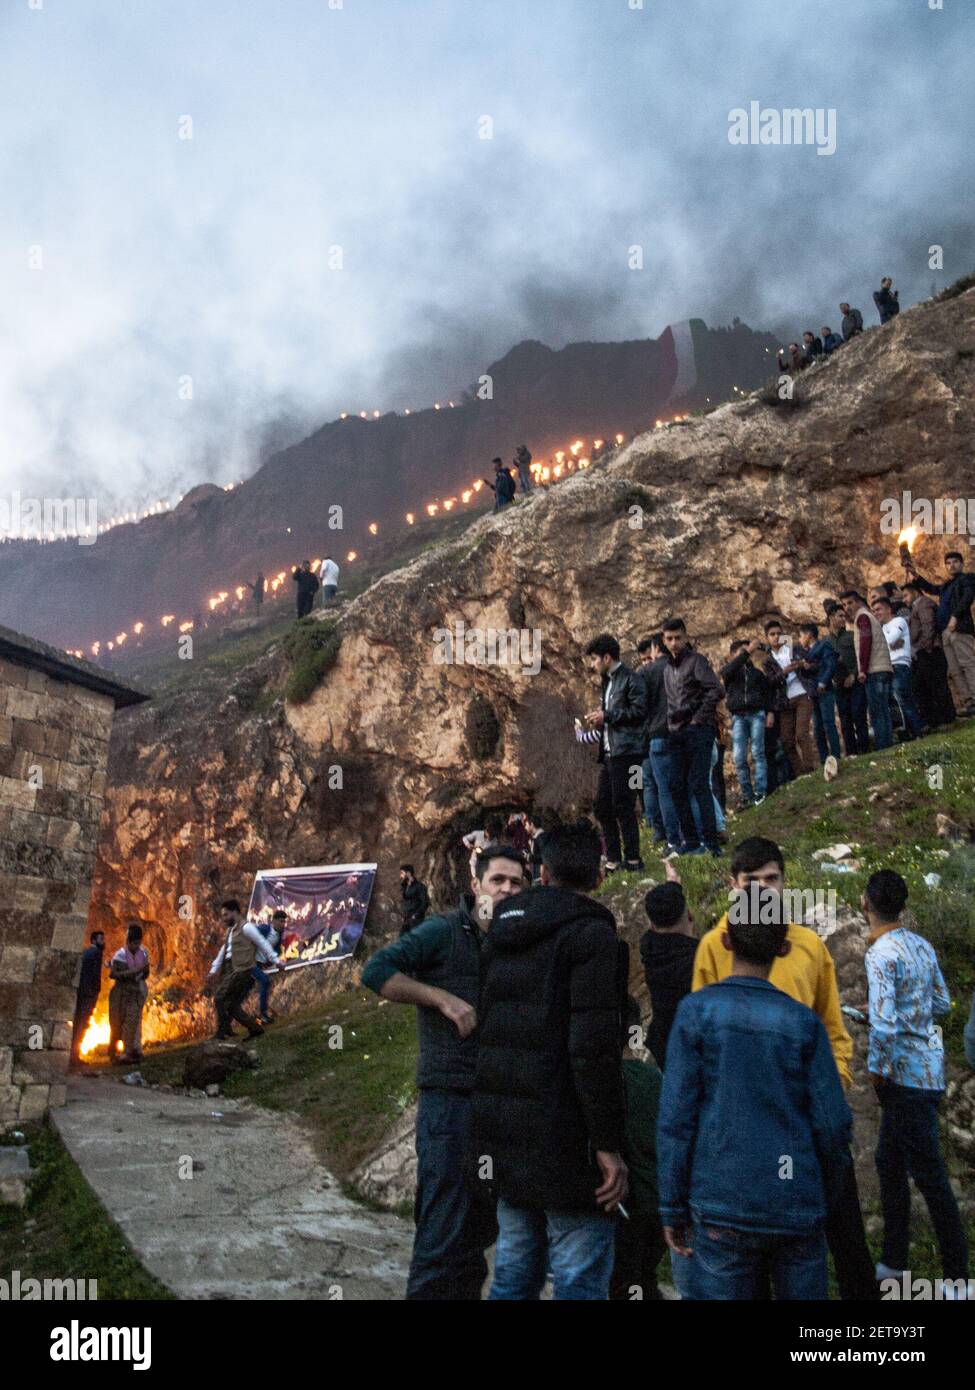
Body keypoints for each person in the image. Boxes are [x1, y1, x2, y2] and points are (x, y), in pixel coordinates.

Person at [692, 837, 879, 1300]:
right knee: (752, 1259)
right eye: (750, 881)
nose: (762, 889)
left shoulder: (809, 946)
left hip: (811, 1126)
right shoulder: (714, 947)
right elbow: (700, 1044)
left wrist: (832, 1086)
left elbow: (834, 1030)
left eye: (771, 879)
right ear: (733, 886)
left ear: (785, 883)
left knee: (847, 1241)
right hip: (743, 1134)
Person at [659, 883, 853, 1300]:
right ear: (784, 947)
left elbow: (676, 1119)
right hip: (795, 1204)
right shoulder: (804, 1024)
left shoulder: (695, 1013)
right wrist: (823, 1193)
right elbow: (833, 1125)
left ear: (726, 940)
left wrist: (672, 1207)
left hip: (721, 1204)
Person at [361, 841, 527, 1300]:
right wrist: (442, 999)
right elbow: (377, 971)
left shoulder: (517, 942)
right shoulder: (444, 931)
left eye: (516, 882)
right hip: (450, 1105)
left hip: (499, 1107)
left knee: (477, 1236)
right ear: (476, 884)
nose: (507, 889)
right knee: (442, 1235)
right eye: (498, 880)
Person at [473, 820, 628, 1301]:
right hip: (568, 1141)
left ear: (541, 874)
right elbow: (593, 1050)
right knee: (578, 1279)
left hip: (506, 1133)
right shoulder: (592, 936)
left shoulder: (501, 933)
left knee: (513, 1273)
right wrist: (607, 1145)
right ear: (599, 876)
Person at [862, 870, 969, 1292]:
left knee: (931, 1178)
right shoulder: (921, 945)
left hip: (902, 1077)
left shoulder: (879, 953)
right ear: (902, 905)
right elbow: (941, 1002)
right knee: (889, 1163)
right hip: (930, 1070)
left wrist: (877, 1069)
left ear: (866, 903)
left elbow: (885, 1025)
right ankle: (892, 1263)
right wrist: (910, 1012)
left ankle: (958, 1278)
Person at [610, 996, 665, 1301]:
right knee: (644, 1279)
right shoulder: (655, 1079)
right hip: (657, 1207)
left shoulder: (605, 1082)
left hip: (623, 1206)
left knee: (622, 1283)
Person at [583, 633, 648, 872]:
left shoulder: (632, 679)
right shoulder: (607, 682)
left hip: (630, 754)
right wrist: (601, 719)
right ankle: (614, 857)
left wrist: (608, 716)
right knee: (602, 806)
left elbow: (640, 712)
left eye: (595, 659)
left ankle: (633, 859)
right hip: (611, 754)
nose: (593, 665)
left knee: (625, 805)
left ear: (607, 657)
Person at [660, 618, 723, 857]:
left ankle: (711, 843)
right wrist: (671, 726)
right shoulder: (667, 669)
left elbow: (716, 689)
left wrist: (698, 719)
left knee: (699, 784)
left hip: (699, 730)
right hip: (677, 733)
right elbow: (672, 702)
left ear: (685, 637)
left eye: (678, 638)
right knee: (676, 785)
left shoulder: (697, 661)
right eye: (669, 639)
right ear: (664, 640)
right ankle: (692, 841)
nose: (674, 643)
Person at [906, 550, 975, 716]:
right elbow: (931, 588)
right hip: (945, 632)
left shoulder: (967, 579)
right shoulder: (946, 586)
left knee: (968, 664)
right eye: (948, 563)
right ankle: (969, 701)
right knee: (955, 669)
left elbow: (967, 598)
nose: (951, 565)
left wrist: (955, 617)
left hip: (959, 629)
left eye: (955, 562)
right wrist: (915, 575)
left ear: (961, 564)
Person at [639, 875, 697, 1070]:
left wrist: (673, 886)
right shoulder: (699, 958)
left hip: (663, 1044)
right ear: (689, 915)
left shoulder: (649, 948)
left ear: (652, 925)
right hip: (692, 1049)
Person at [206, 899, 285, 1040]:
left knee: (219, 997)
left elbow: (262, 942)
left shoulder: (247, 927)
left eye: (226, 915)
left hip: (241, 969)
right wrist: (214, 969)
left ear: (235, 912)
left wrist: (276, 960)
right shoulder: (231, 930)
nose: (224, 918)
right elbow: (224, 950)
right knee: (232, 1005)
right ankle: (254, 1028)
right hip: (231, 969)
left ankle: (221, 1032)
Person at [719, 638, 771, 808]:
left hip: (757, 714)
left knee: (757, 753)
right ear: (732, 655)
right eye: (742, 652)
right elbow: (726, 672)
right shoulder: (730, 673)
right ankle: (747, 795)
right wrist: (747, 651)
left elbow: (767, 694)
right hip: (738, 716)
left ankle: (761, 792)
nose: (747, 655)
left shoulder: (757, 673)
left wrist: (770, 712)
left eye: (748, 652)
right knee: (739, 757)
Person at [839, 589, 894, 750]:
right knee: (883, 709)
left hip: (874, 669)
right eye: (844, 605)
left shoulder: (862, 617)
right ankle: (888, 743)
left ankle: (883, 746)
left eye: (850, 603)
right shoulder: (869, 616)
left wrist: (862, 669)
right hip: (883, 667)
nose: (847, 607)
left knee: (877, 711)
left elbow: (865, 642)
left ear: (858, 602)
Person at [901, 579, 955, 729]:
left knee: (937, 685)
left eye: (906, 595)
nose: (904, 600)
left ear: (915, 592)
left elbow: (928, 624)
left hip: (930, 650)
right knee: (928, 686)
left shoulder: (923, 603)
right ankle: (938, 719)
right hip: (925, 650)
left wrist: (926, 647)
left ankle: (946, 718)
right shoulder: (916, 606)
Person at [765, 619, 815, 775]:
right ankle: (801, 774)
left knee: (801, 734)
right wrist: (784, 672)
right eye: (772, 634)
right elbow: (769, 682)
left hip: (802, 694)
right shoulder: (767, 661)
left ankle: (810, 770)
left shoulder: (795, 649)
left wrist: (806, 665)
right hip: (784, 701)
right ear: (767, 638)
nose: (776, 637)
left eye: (779, 634)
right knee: (787, 741)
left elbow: (813, 663)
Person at [871, 594, 923, 740]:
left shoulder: (899, 621)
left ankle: (917, 732)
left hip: (900, 665)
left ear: (888, 609)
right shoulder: (882, 628)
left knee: (903, 699)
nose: (876, 613)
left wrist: (886, 644)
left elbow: (890, 640)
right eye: (874, 611)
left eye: (878, 609)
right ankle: (906, 735)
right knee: (894, 704)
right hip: (888, 667)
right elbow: (885, 645)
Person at [635, 634, 668, 846]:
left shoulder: (645, 675)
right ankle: (655, 826)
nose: (647, 662)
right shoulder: (664, 670)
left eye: (649, 657)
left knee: (653, 785)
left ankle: (658, 828)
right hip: (646, 741)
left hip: (650, 737)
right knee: (648, 785)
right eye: (643, 660)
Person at [825, 600, 869, 755]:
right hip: (838, 684)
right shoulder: (826, 641)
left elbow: (861, 656)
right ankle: (851, 752)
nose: (844, 619)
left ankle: (865, 749)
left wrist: (853, 674)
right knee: (845, 720)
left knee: (859, 716)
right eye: (840, 616)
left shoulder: (852, 635)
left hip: (855, 682)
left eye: (844, 616)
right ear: (831, 617)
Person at [796, 622, 841, 764]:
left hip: (824, 690)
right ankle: (824, 759)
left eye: (801, 635)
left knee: (829, 723)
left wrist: (823, 682)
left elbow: (830, 665)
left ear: (808, 635)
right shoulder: (804, 652)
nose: (799, 639)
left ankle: (836, 756)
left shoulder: (823, 646)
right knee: (817, 727)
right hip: (812, 692)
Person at [107, 924, 150, 1065]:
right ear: (128, 942)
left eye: (138, 943)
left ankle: (129, 1052)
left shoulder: (143, 953)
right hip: (120, 992)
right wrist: (132, 972)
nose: (137, 946)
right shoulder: (120, 955)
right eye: (134, 943)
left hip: (135, 992)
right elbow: (113, 974)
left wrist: (141, 973)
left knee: (131, 1022)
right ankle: (113, 1051)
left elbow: (146, 972)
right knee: (116, 1023)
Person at [70, 929, 105, 1069]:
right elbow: (94, 974)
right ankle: (74, 1056)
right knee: (82, 1024)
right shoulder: (95, 953)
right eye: (101, 939)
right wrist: (94, 990)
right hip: (88, 994)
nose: (103, 942)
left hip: (83, 992)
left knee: (80, 1022)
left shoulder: (87, 953)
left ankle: (73, 1055)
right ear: (94, 940)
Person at [253, 909, 287, 1024]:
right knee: (265, 981)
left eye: (284, 922)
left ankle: (260, 1017)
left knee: (244, 990)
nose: (283, 924)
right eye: (281, 921)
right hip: (250, 962)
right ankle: (263, 1015)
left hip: (259, 964)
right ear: (274, 921)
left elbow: (274, 951)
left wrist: (275, 961)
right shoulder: (264, 929)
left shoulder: (278, 936)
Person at [462, 814, 505, 879]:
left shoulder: (494, 841)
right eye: (490, 835)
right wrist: (468, 845)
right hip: (474, 863)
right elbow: (465, 838)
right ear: (487, 830)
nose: (490, 838)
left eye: (493, 836)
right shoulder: (477, 833)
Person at [399, 865, 431, 935]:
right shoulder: (405, 887)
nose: (400, 876)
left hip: (416, 920)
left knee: (416, 939)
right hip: (406, 919)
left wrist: (416, 915)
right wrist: (404, 915)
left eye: (402, 873)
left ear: (408, 873)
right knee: (402, 938)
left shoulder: (420, 886)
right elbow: (405, 902)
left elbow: (425, 902)